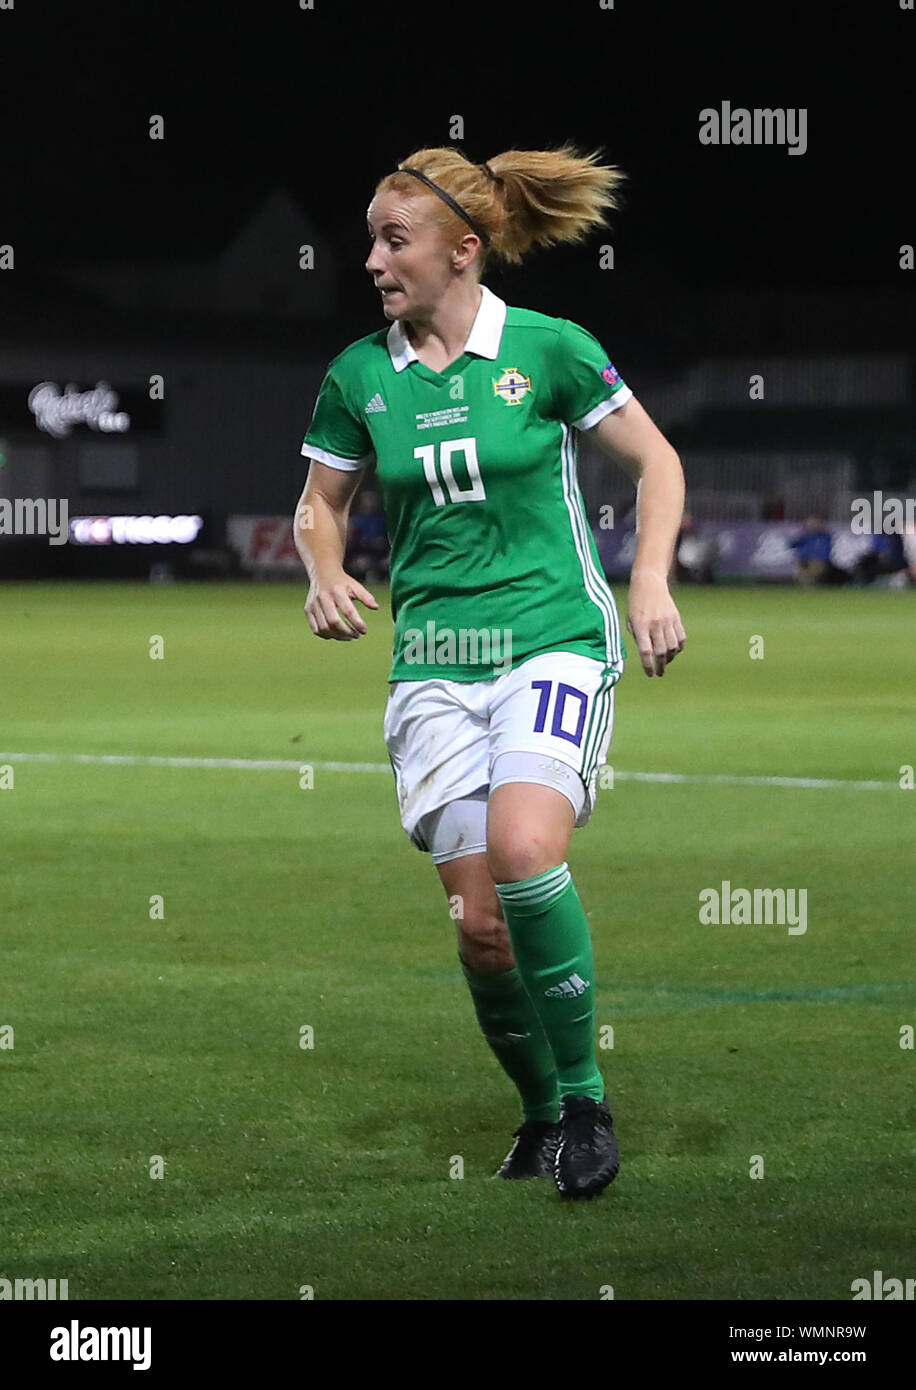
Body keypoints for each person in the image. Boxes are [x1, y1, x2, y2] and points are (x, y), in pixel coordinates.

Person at [293, 145, 686, 1200]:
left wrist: (648, 581)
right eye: (371, 238)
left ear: (463, 251)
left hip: (551, 636)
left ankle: (590, 1102)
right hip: (431, 660)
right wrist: (323, 569)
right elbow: (320, 503)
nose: (372, 259)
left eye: (393, 239)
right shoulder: (360, 375)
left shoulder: (548, 349)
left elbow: (657, 461)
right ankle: (541, 1108)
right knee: (478, 929)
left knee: (522, 850)